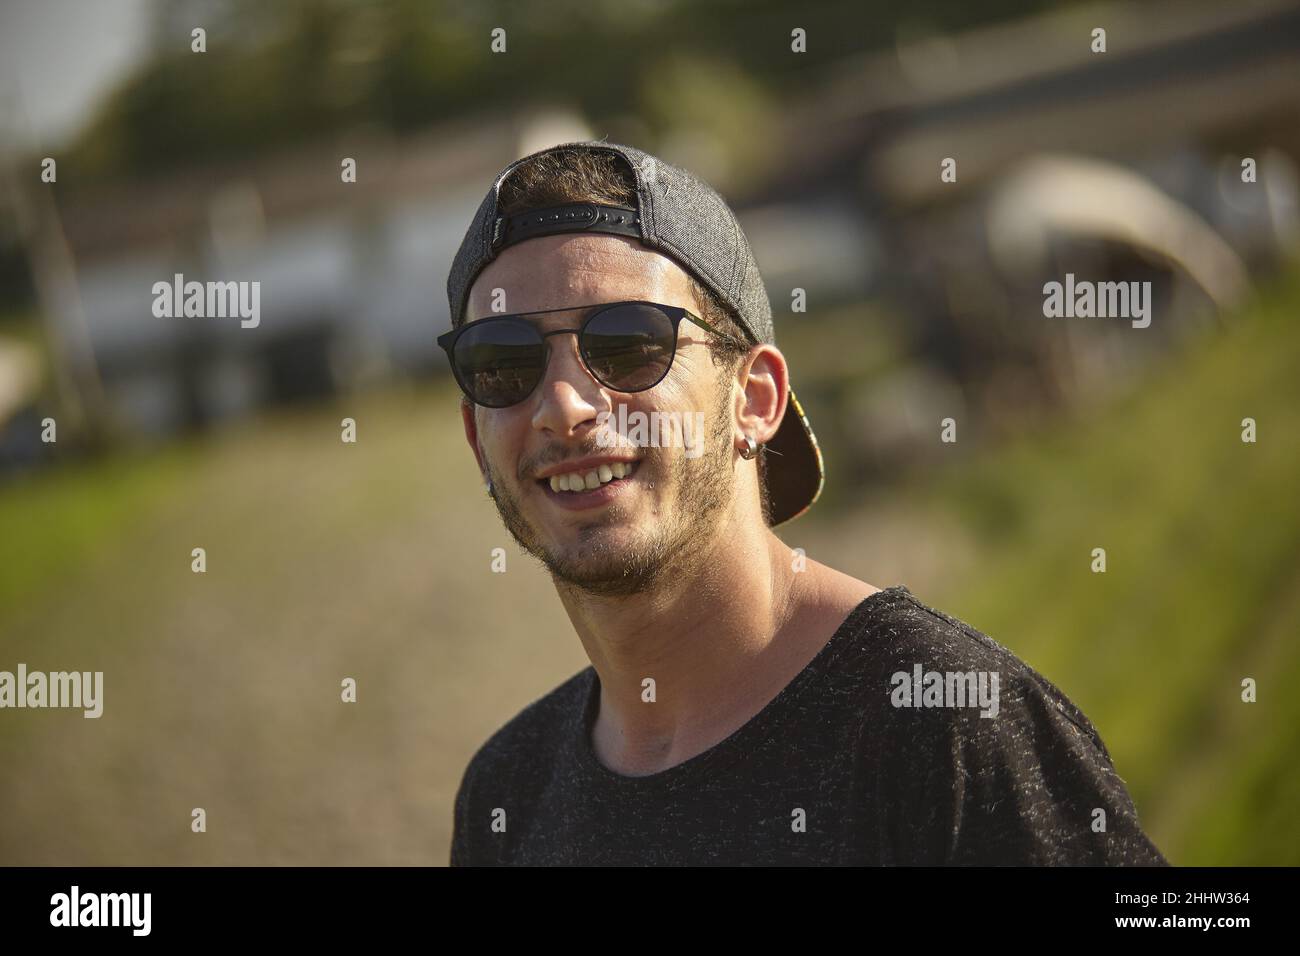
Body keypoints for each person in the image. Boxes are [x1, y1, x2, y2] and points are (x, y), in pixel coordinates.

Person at [442, 141, 1167, 866]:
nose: (563, 407)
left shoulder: (941, 724)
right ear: (478, 437)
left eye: (628, 342)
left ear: (755, 400)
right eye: (502, 361)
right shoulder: (507, 793)